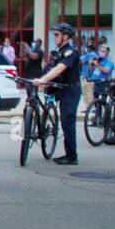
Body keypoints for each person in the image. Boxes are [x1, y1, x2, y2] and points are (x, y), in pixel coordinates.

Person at [34, 22, 82, 166]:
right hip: (61, 88)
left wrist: (44, 79)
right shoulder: (60, 51)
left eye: (57, 35)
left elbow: (60, 69)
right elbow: (51, 68)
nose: (54, 37)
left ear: (66, 37)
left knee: (68, 121)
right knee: (63, 119)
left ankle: (72, 156)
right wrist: (43, 79)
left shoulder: (70, 52)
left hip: (71, 90)